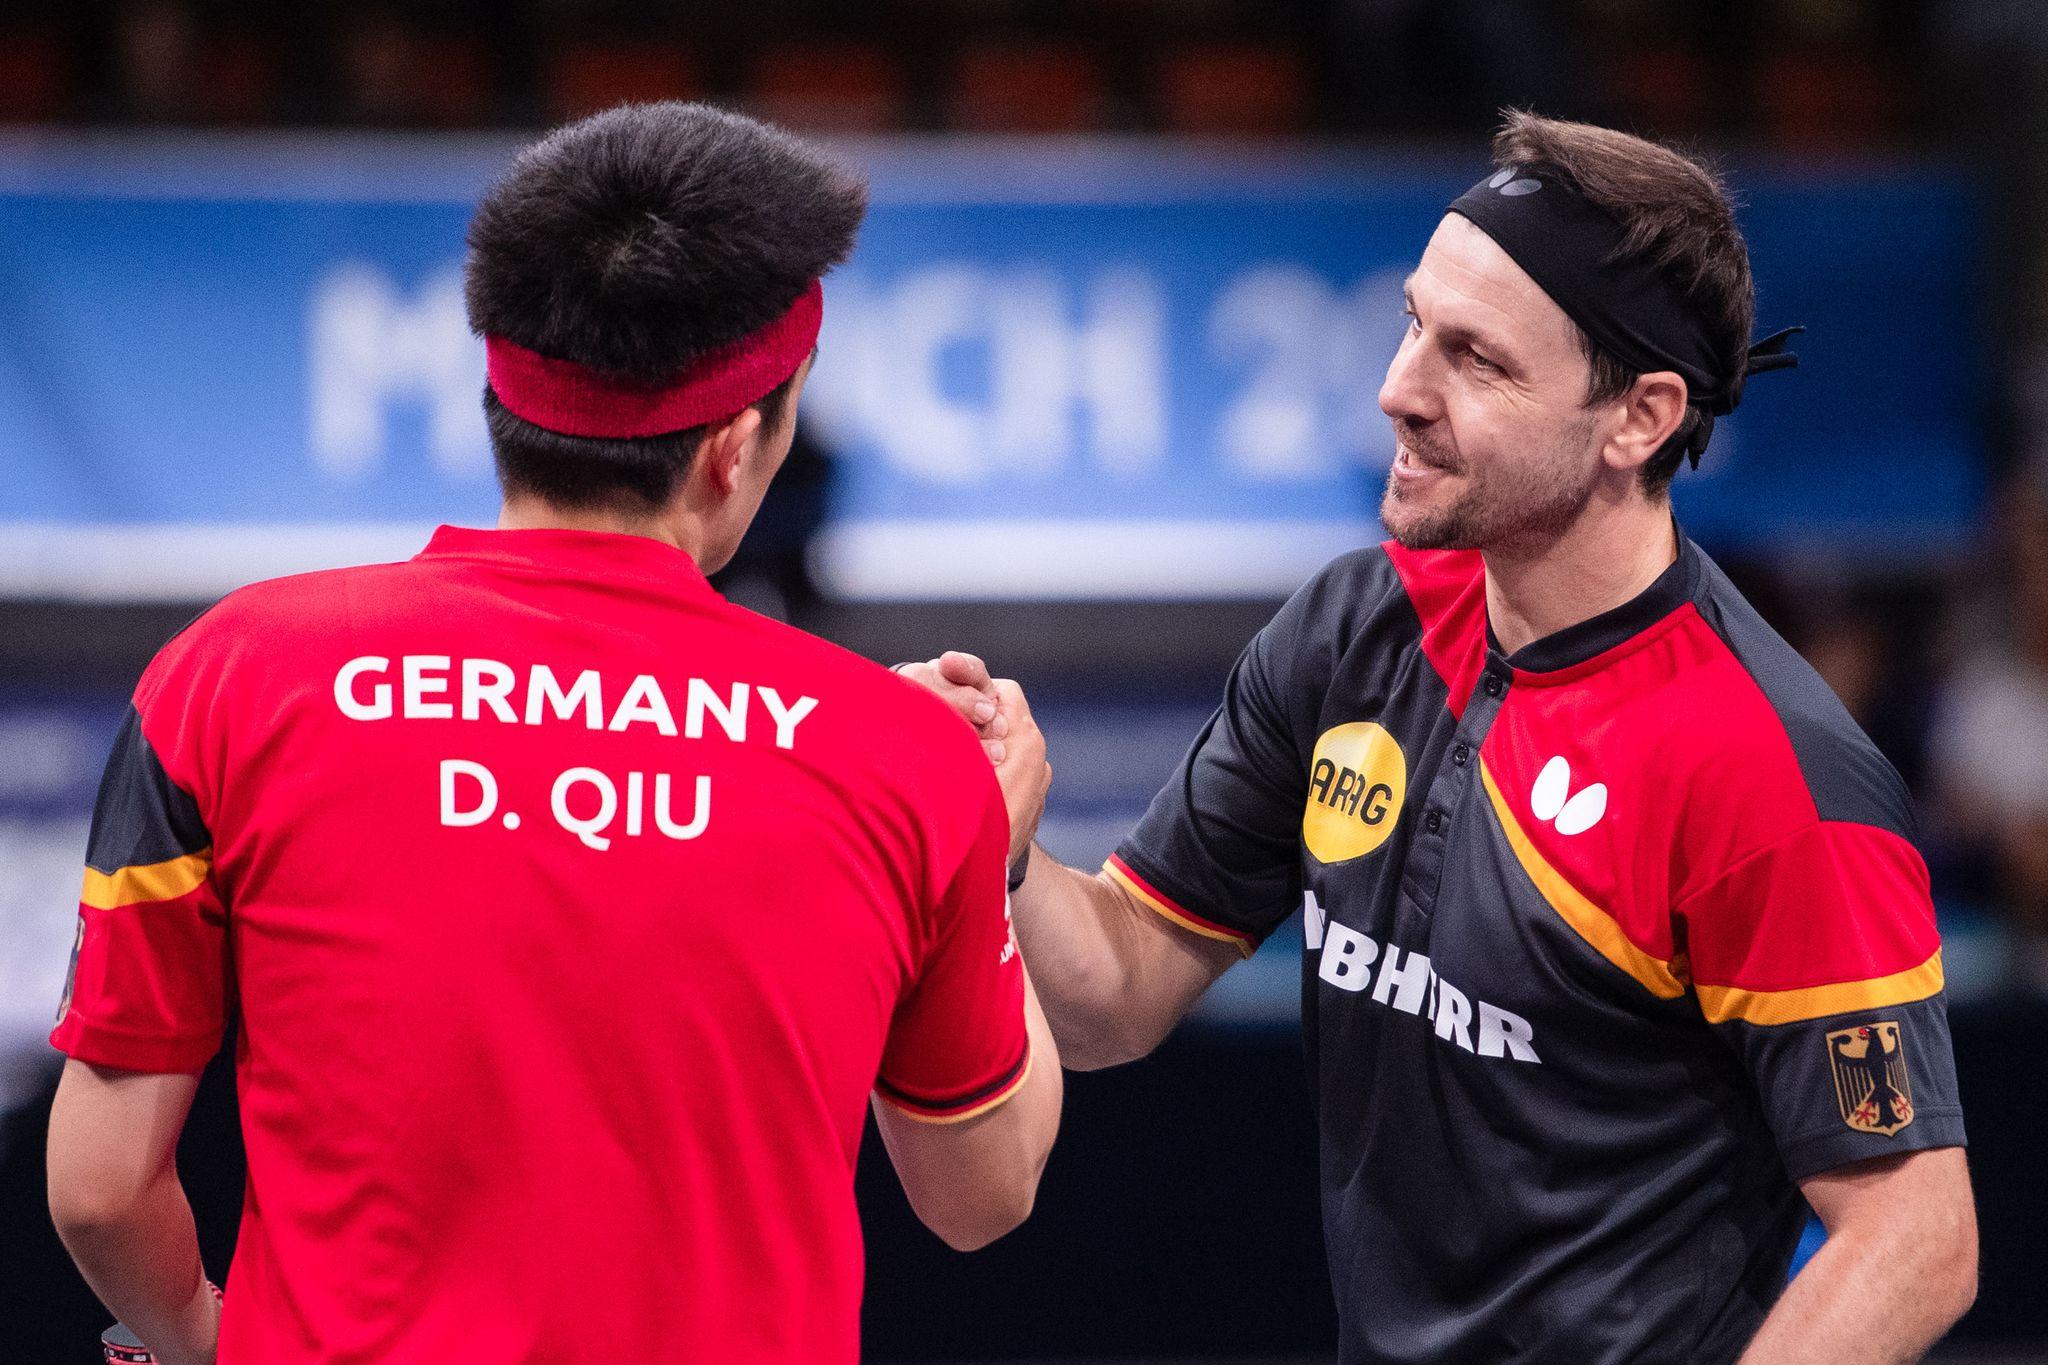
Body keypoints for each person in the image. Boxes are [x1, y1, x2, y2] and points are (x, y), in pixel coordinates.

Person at [905, 112, 1976, 1363]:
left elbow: (1915, 1233)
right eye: (1414, 322)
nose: (1397, 389)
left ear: (1639, 417)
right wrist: (1008, 847)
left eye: (1475, 359)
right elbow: (1116, 997)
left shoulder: (1771, 775)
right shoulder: (1355, 626)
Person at [45, 102, 1061, 1365]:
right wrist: (994, 859)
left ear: (500, 386)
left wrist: (213, 1339)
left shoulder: (231, 681)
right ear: (738, 448)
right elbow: (980, 1196)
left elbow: (96, 1189)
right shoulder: (899, 759)